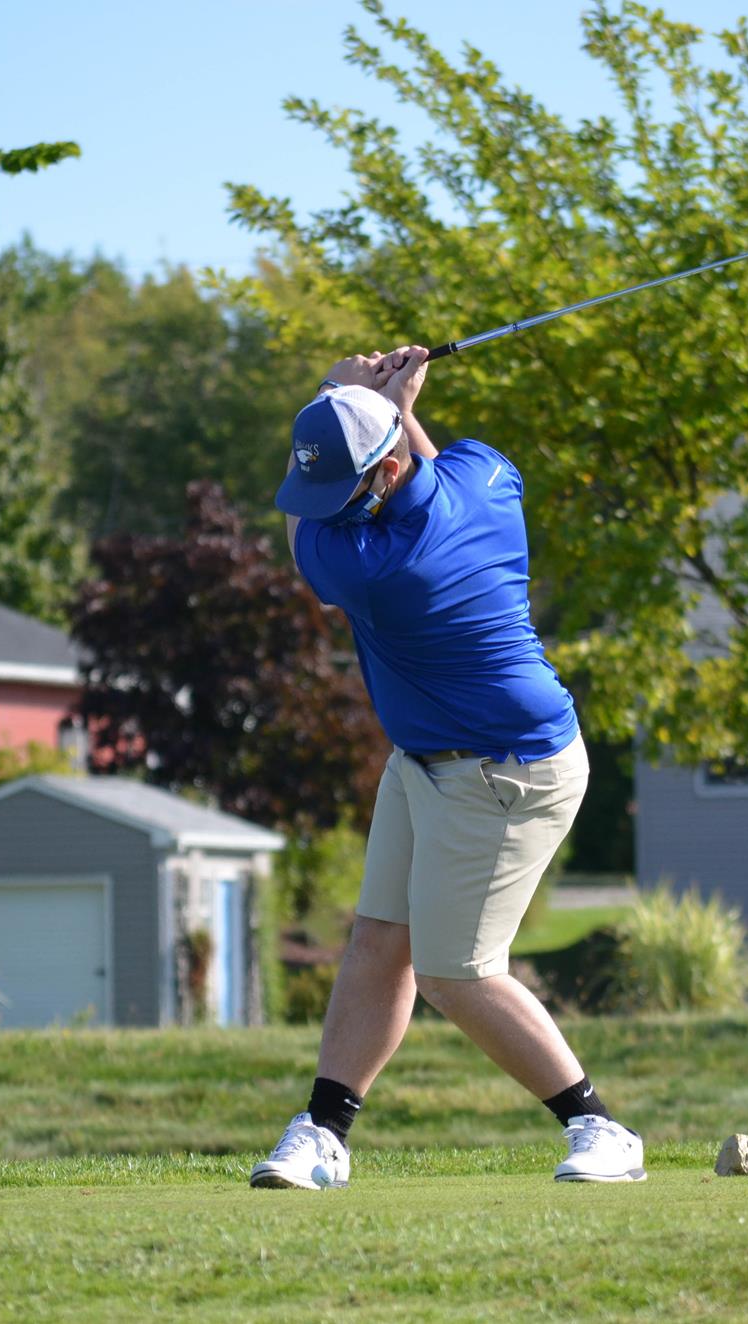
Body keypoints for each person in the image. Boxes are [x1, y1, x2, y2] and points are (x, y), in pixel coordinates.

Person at [248, 344, 643, 1190]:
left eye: (345, 491)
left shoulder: (377, 568)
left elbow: (302, 538)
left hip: (510, 773)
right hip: (428, 756)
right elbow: (427, 467)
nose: (330, 509)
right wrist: (388, 402)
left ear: (384, 471)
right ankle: (323, 1133)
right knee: (378, 942)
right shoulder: (487, 479)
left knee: (456, 973)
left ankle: (601, 1128)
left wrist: (337, 389)